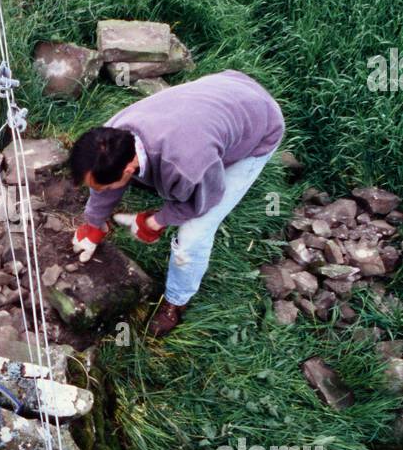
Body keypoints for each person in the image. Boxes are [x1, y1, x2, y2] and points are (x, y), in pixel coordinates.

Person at [69, 70, 284, 336]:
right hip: (224, 89)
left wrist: (154, 221)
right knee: (169, 182)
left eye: (105, 185)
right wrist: (94, 223)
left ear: (129, 166)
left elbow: (204, 201)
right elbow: (103, 184)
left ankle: (176, 301)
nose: (100, 191)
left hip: (261, 124)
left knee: (194, 234)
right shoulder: (112, 135)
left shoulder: (186, 165)